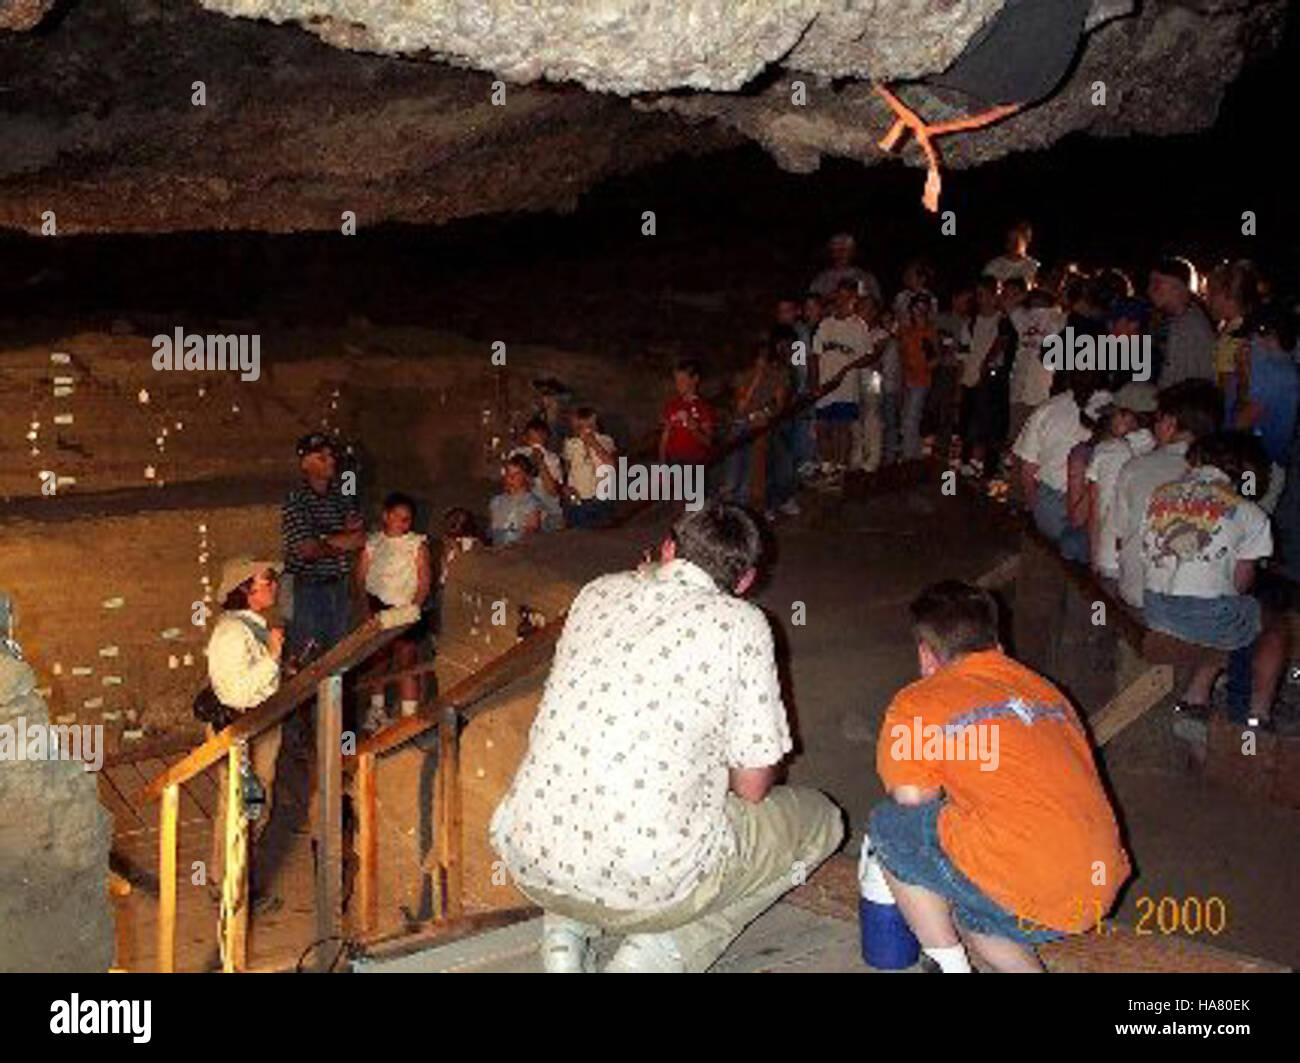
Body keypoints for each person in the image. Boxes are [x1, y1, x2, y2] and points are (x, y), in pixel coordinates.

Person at [490, 503, 844, 973]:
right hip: (650, 878)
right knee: (823, 820)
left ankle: (563, 936)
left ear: (667, 549)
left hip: (529, 857)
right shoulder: (741, 624)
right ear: (745, 582)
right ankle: (655, 955)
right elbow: (753, 788)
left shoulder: (597, 593)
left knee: (590, 790)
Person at [870, 581, 1129, 973]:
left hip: (1027, 877)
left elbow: (910, 802)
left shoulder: (918, 702)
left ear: (926, 656)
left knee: (889, 825)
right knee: (980, 919)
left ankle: (948, 967)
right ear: (997, 644)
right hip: (1096, 882)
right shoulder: (1049, 692)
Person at [1140, 431, 1285, 728]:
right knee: (1273, 626)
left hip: (1154, 606)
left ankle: (1196, 696)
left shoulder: (1161, 494)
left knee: (1230, 614)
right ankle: (1257, 715)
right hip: (1202, 615)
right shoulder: (1250, 513)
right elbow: (1240, 583)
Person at [207, 558, 286, 914]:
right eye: (265, 581)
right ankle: (229, 889)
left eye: (272, 580)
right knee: (242, 806)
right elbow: (236, 694)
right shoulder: (230, 634)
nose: (273, 585)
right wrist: (272, 658)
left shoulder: (252, 626)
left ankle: (234, 880)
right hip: (242, 727)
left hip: (261, 725)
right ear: (245, 589)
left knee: (255, 804)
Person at [1111, 379, 1223, 608]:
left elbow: (1120, 537)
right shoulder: (1223, 476)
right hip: (1194, 604)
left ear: (1170, 424)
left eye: (1157, 419)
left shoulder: (1136, 467)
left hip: (1137, 592)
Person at [282, 433, 364, 660]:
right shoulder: (295, 499)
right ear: (305, 464)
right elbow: (307, 549)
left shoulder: (342, 492)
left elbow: (357, 537)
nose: (330, 461)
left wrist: (326, 541)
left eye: (331, 456)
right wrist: (341, 542)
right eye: (321, 457)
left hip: (338, 587)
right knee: (305, 657)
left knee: (339, 657)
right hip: (304, 589)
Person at [357, 491, 433, 730]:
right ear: (386, 516)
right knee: (378, 661)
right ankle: (377, 710)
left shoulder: (417, 543)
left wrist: (414, 609)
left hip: (405, 608)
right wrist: (364, 609)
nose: (403, 522)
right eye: (398, 516)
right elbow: (359, 578)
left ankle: (408, 718)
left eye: (407, 518)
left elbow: (424, 580)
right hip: (377, 606)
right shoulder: (373, 542)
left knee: (406, 661)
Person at [1013, 371, 1108, 562]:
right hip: (1096, 504)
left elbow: (1027, 469)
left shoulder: (1048, 409)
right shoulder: (1118, 410)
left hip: (1055, 502)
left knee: (1050, 562)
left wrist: (1035, 506)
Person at [1087, 382, 1158, 579]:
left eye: (1115, 414)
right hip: (1145, 566)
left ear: (1127, 417)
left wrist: (1094, 559)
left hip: (1110, 559)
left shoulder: (1107, 451)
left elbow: (1096, 509)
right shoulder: (1161, 454)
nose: (1110, 420)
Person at [812, 280, 872, 475]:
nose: (842, 300)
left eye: (847, 296)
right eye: (839, 295)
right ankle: (826, 466)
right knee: (822, 427)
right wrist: (815, 382)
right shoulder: (825, 324)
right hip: (824, 384)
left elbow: (867, 355)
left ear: (854, 299)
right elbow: (815, 355)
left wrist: (847, 368)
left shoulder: (859, 326)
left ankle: (840, 468)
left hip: (846, 386)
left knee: (842, 428)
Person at [960, 276, 1016, 479]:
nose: (979, 299)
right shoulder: (971, 321)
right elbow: (964, 353)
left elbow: (1002, 348)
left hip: (992, 383)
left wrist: (987, 366)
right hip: (970, 379)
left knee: (990, 427)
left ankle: (988, 471)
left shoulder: (1004, 321)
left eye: (983, 294)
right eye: (978, 294)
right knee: (967, 426)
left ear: (994, 296)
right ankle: (965, 466)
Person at [1007, 285, 1065, 445]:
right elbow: (1007, 303)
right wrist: (1025, 295)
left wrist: (1057, 298)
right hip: (1019, 388)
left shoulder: (1059, 318)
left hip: (1042, 391)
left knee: (1033, 442)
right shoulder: (1024, 317)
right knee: (1015, 439)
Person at [1150, 257, 1215, 387]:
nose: (1150, 290)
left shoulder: (1189, 327)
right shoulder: (1180, 320)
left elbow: (1178, 383)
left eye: (1157, 284)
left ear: (1177, 286)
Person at [898, 292, 939, 460]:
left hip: (921, 380)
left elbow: (935, 359)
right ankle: (913, 453)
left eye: (923, 306)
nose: (920, 310)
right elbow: (901, 355)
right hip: (906, 379)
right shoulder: (906, 330)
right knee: (906, 417)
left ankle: (910, 457)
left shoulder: (929, 331)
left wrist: (923, 367)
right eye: (917, 306)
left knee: (912, 418)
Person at [562, 407, 618, 528]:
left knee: (601, 532)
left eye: (589, 425)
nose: (584, 430)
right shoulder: (571, 444)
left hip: (600, 495)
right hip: (577, 495)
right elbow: (568, 467)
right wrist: (567, 487)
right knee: (578, 530)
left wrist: (593, 443)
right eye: (579, 427)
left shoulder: (605, 440)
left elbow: (611, 465)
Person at [658, 359, 716, 467]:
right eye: (676, 380)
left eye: (683, 380)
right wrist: (662, 465)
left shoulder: (704, 408)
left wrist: (694, 429)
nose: (678, 384)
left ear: (694, 379)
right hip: (674, 465)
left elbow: (709, 442)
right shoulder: (672, 405)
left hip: (696, 466)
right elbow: (664, 439)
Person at [809, 232, 882, 305]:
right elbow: (812, 303)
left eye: (843, 250)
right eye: (835, 251)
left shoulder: (865, 277)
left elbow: (876, 303)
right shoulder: (822, 279)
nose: (839, 255)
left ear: (852, 252)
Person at [490, 454, 544, 546]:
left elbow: (532, 532)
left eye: (516, 474)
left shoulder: (532, 502)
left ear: (526, 477)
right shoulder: (496, 501)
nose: (511, 478)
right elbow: (493, 530)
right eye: (508, 473)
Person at [982, 221, 1039, 288]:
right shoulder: (994, 266)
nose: (1014, 244)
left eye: (1017, 240)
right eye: (1010, 240)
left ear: (1027, 241)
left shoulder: (1033, 265)